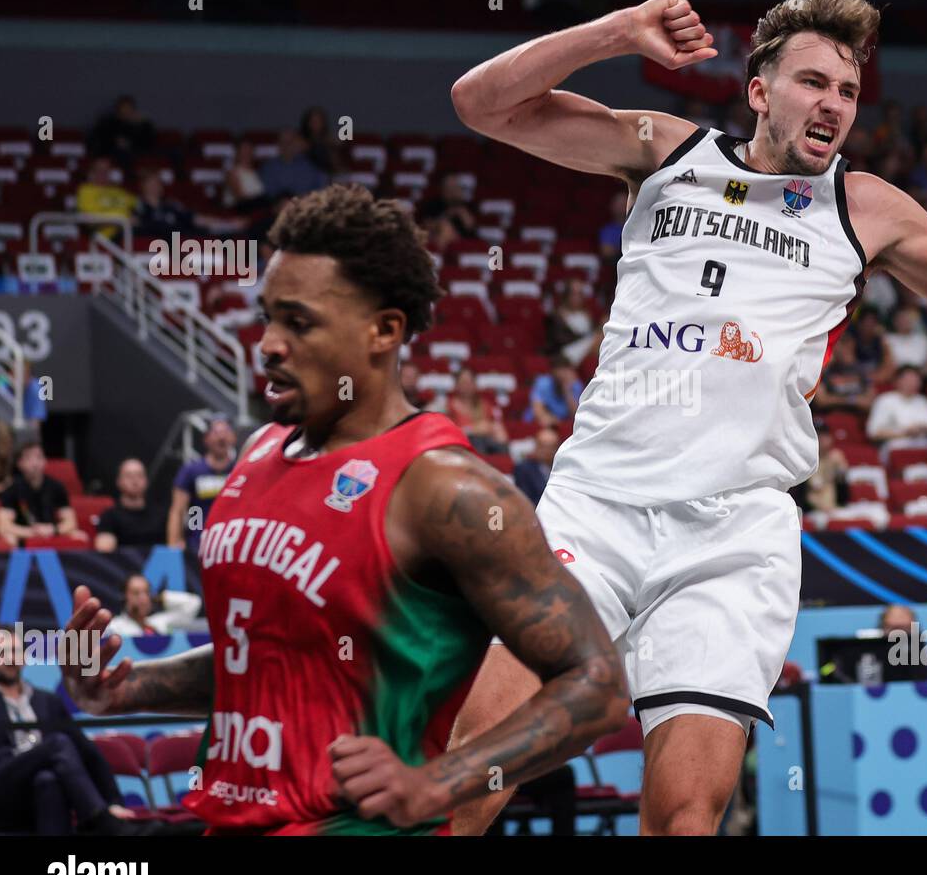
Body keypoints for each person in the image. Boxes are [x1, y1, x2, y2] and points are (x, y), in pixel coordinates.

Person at [448, 0, 927, 835]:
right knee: (477, 764)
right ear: (759, 90)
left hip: (734, 535)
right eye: (813, 83)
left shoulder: (863, 206)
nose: (833, 104)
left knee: (685, 814)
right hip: (599, 502)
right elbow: (481, 103)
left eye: (848, 91)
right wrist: (616, 32)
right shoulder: (665, 148)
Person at [60, 184, 629, 835]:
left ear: (384, 330)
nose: (269, 343)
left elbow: (596, 683)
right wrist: (126, 689)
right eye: (268, 315)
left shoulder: (448, 488)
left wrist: (438, 780)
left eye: (298, 322)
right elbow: (276, 661)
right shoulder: (258, 451)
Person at [0, 624, 140, 835]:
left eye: (15, 651)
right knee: (58, 743)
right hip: (3, 788)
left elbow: (87, 750)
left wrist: (113, 802)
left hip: (40, 793)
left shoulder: (49, 701)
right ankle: (98, 819)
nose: (10, 658)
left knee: (48, 780)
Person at [166, 416, 238, 554]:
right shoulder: (191, 470)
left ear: (233, 438)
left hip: (230, 545)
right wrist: (173, 543)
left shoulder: (240, 470)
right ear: (206, 439)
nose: (221, 437)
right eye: (216, 433)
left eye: (226, 432)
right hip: (197, 543)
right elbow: (177, 510)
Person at [0, 440, 87, 546]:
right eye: (29, 459)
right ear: (20, 463)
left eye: (39, 457)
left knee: (80, 536)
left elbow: (71, 522)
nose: (35, 463)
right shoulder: (12, 489)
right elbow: (4, 526)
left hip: (51, 529)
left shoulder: (57, 487)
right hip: (23, 531)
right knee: (9, 538)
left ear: (45, 461)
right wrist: (32, 532)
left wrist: (53, 530)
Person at [865, 364, 927, 451]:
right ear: (897, 381)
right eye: (909, 379)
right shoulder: (885, 400)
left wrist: (924, 428)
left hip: (925, 446)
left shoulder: (922, 400)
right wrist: (905, 432)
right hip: (897, 448)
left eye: (916, 379)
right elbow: (874, 433)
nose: (913, 383)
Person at [95, 458, 167, 551]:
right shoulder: (109, 517)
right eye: (129, 476)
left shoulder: (161, 515)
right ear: (119, 481)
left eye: (139, 475)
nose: (135, 481)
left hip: (157, 563)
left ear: (146, 481)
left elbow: (174, 548)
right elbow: (104, 550)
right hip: (123, 564)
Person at [105, 574, 203, 638]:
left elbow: (193, 603)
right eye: (136, 593)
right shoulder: (114, 627)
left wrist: (159, 598)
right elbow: (91, 660)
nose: (143, 598)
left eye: (147, 592)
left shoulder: (161, 622)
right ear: (124, 597)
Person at [446, 367, 509, 455]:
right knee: (477, 440)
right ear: (456, 385)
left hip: (487, 443)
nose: (467, 385)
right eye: (464, 382)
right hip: (460, 449)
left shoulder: (485, 405)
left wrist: (496, 429)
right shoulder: (447, 406)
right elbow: (446, 434)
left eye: (470, 382)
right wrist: (472, 429)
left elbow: (495, 426)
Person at [526, 355, 584, 426]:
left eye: (566, 370)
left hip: (563, 423)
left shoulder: (576, 385)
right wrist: (553, 420)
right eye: (560, 370)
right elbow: (538, 411)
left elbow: (576, 414)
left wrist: (567, 390)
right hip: (537, 422)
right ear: (553, 371)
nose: (563, 374)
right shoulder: (543, 383)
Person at [513, 427, 560, 505]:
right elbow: (526, 500)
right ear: (536, 446)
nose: (546, 451)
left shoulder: (562, 468)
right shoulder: (523, 469)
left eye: (551, 447)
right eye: (543, 446)